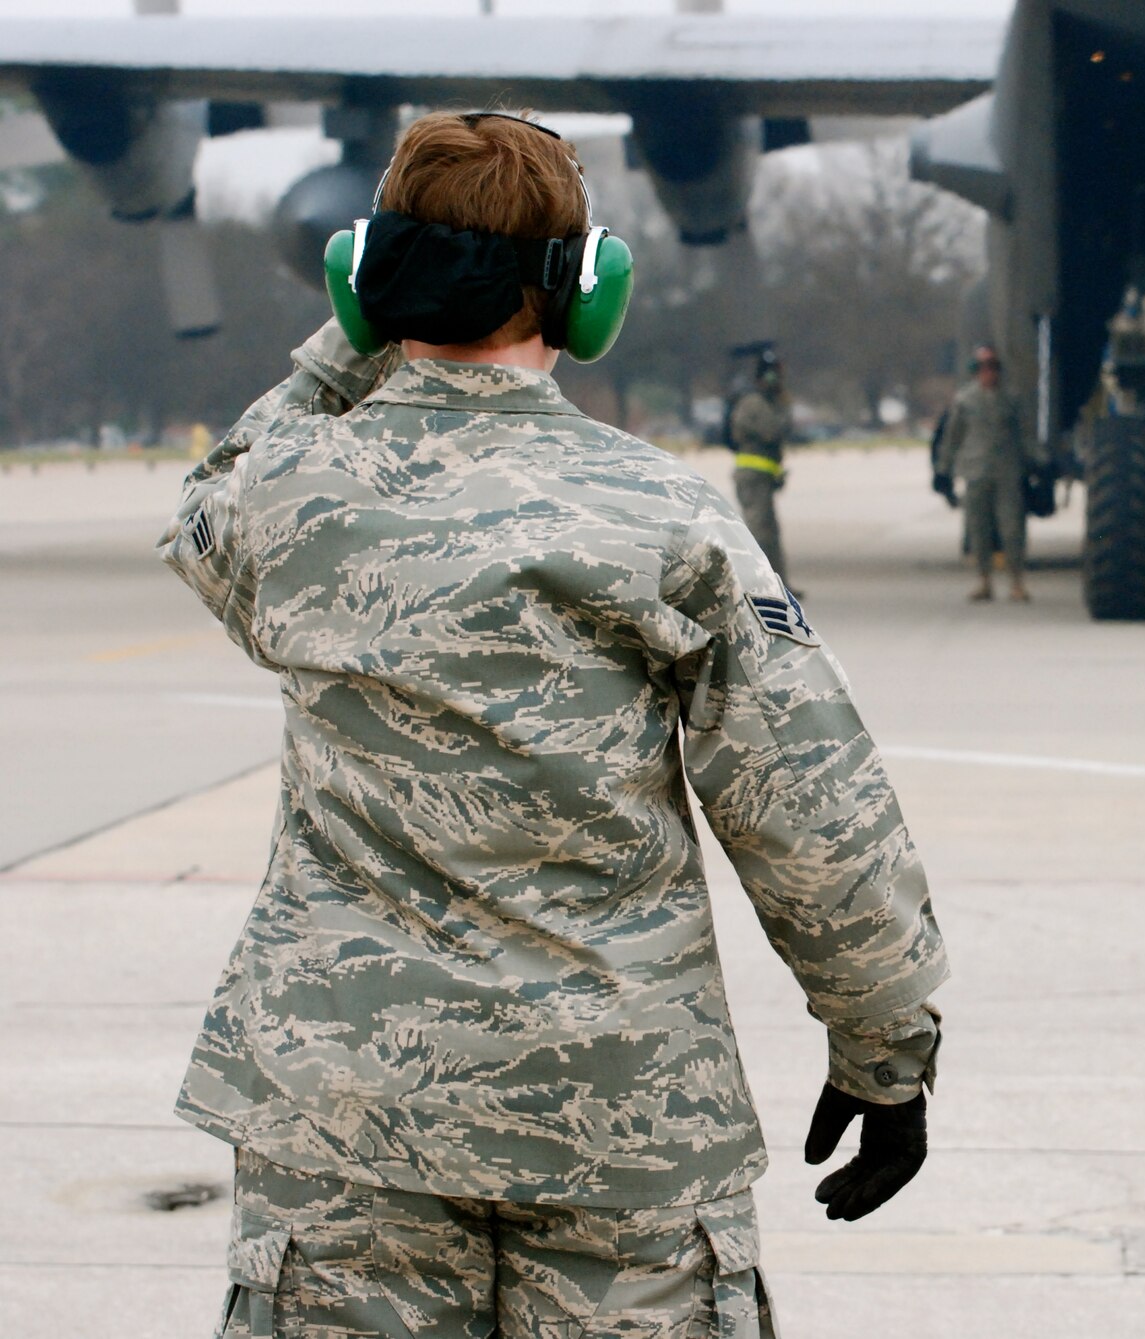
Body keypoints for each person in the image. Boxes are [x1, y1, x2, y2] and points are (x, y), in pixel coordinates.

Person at [157, 111, 946, 1339]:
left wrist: (346, 340)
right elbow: (810, 805)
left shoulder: (289, 495)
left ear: (369, 276)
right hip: (617, 1116)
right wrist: (883, 1050)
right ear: (587, 292)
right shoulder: (663, 517)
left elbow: (203, 508)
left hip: (348, 1114)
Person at [938, 345, 1039, 602]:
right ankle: (984, 580)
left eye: (992, 367)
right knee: (978, 530)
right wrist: (943, 471)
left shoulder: (1011, 399)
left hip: (1007, 473)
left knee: (1012, 529)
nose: (988, 373)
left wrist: (1039, 462)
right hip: (976, 472)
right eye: (982, 367)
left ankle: (1016, 581)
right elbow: (953, 437)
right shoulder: (965, 401)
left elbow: (1026, 436)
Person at [729, 346, 795, 587]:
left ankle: (778, 585)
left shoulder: (766, 402)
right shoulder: (754, 403)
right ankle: (756, 584)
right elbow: (773, 431)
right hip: (752, 477)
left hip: (763, 477)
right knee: (758, 534)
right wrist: (784, 407)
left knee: (771, 534)